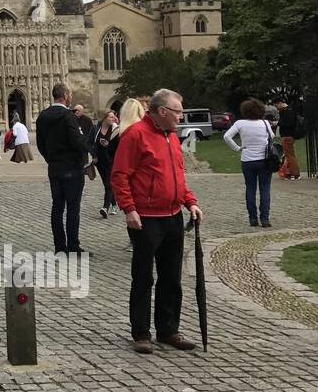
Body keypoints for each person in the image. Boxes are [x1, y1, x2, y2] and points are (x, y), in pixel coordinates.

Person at [110, 87, 203, 355]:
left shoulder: (171, 137)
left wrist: (191, 202)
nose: (181, 117)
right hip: (146, 219)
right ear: (162, 111)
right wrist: (128, 209)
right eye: (178, 112)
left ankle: (168, 329)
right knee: (143, 277)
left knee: (171, 277)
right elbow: (120, 175)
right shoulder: (136, 135)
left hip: (172, 216)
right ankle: (141, 332)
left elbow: (177, 176)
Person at [35, 84, 88, 254]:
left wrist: (51, 159)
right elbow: (76, 141)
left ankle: (59, 246)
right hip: (72, 167)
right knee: (73, 208)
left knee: (57, 207)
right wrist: (84, 155)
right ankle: (73, 246)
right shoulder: (68, 116)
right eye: (70, 94)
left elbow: (41, 144)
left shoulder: (43, 116)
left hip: (55, 168)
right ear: (65, 95)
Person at [223, 98, 276, 228]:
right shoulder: (265, 123)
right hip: (264, 160)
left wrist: (237, 148)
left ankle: (252, 218)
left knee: (250, 188)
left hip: (247, 160)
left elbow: (226, 136)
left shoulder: (240, 124)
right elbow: (272, 136)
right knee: (265, 189)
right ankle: (265, 219)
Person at [91, 109, 119, 218]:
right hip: (100, 162)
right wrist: (93, 155)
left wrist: (108, 145)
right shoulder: (96, 129)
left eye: (113, 117)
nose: (113, 119)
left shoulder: (115, 130)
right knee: (107, 184)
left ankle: (105, 208)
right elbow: (89, 143)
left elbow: (118, 147)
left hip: (112, 161)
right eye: (110, 117)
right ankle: (114, 204)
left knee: (109, 184)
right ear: (104, 118)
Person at [277, 101, 301, 180]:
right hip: (288, 135)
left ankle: (294, 173)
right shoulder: (287, 111)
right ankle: (293, 172)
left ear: (281, 103)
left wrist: (278, 123)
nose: (277, 107)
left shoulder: (288, 112)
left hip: (287, 135)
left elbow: (289, 123)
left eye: (277, 105)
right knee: (290, 155)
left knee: (289, 155)